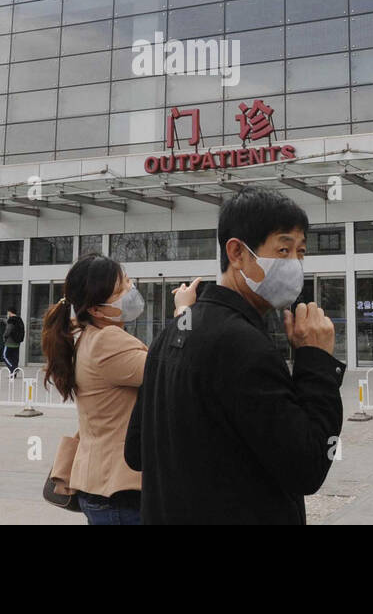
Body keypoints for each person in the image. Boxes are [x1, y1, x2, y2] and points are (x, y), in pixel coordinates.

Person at [125, 188, 344, 524]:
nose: (295, 265)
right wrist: (315, 362)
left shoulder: (171, 333)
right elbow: (307, 466)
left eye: (301, 253)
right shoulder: (244, 346)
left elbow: (136, 452)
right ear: (237, 252)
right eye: (283, 250)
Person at [41, 255, 149, 525]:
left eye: (126, 280)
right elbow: (173, 372)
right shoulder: (107, 341)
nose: (130, 288)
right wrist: (187, 316)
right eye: (120, 289)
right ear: (98, 310)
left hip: (102, 487)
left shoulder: (88, 338)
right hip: (119, 492)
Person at [2, 308, 24, 377]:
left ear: (9, 312)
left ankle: (14, 369)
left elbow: (9, 330)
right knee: (14, 358)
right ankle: (13, 374)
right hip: (17, 342)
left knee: (5, 356)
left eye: (8, 312)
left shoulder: (11, 320)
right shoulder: (19, 320)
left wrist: (4, 337)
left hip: (10, 342)